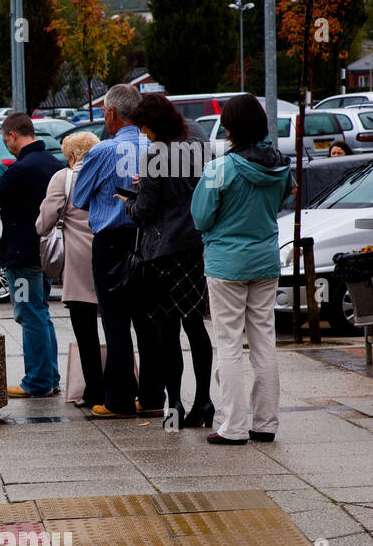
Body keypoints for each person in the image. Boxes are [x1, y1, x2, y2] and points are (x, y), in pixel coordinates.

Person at [191, 94, 291, 445]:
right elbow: (281, 200)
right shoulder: (281, 166)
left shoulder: (219, 169)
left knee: (229, 343)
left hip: (226, 264)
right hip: (265, 260)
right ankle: (266, 424)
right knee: (264, 341)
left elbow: (201, 217)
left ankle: (232, 426)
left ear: (230, 128)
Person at [72, 84, 164, 418]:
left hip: (112, 242)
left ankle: (119, 398)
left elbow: (79, 198)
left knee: (115, 321)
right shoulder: (156, 148)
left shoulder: (102, 151)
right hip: (149, 240)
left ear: (111, 113)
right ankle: (153, 396)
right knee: (148, 320)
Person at [126, 93, 215, 429]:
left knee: (167, 330)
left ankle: (175, 405)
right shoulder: (199, 149)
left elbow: (144, 211)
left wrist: (128, 202)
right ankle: (204, 401)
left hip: (163, 252)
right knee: (195, 325)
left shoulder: (154, 156)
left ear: (154, 125)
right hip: (194, 247)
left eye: (144, 127)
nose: (143, 133)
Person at [0, 112, 60, 397]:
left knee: (29, 314)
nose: (8, 147)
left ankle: (37, 381)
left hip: (23, 254)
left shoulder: (21, 168)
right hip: (46, 253)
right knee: (42, 313)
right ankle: (50, 377)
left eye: (6, 141)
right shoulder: (53, 163)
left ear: (13, 135)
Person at [37, 130, 103, 408]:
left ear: (73, 156)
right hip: (109, 256)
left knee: (85, 332)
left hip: (77, 263)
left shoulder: (64, 177)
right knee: (115, 329)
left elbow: (44, 222)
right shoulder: (106, 173)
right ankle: (121, 385)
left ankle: (94, 390)